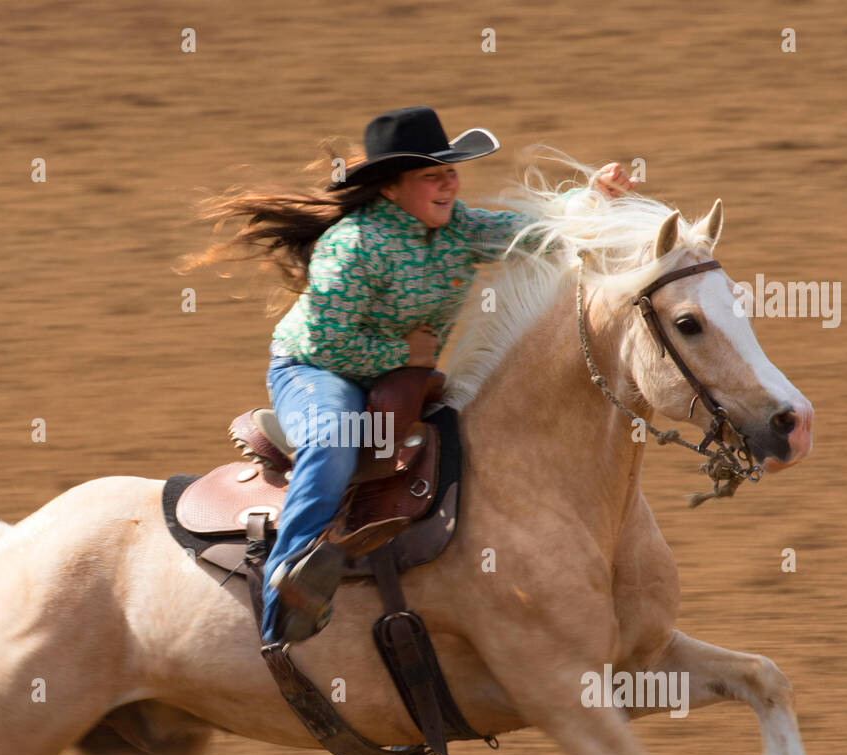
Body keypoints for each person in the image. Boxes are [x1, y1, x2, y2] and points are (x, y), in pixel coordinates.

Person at [182, 106, 635, 645]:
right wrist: (406, 353)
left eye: (450, 171)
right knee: (334, 439)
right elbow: (328, 339)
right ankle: (287, 588)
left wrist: (593, 198)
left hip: (400, 375)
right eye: (431, 175)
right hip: (314, 369)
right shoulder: (353, 244)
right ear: (392, 189)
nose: (448, 183)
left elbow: (532, 234)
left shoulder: (459, 227)